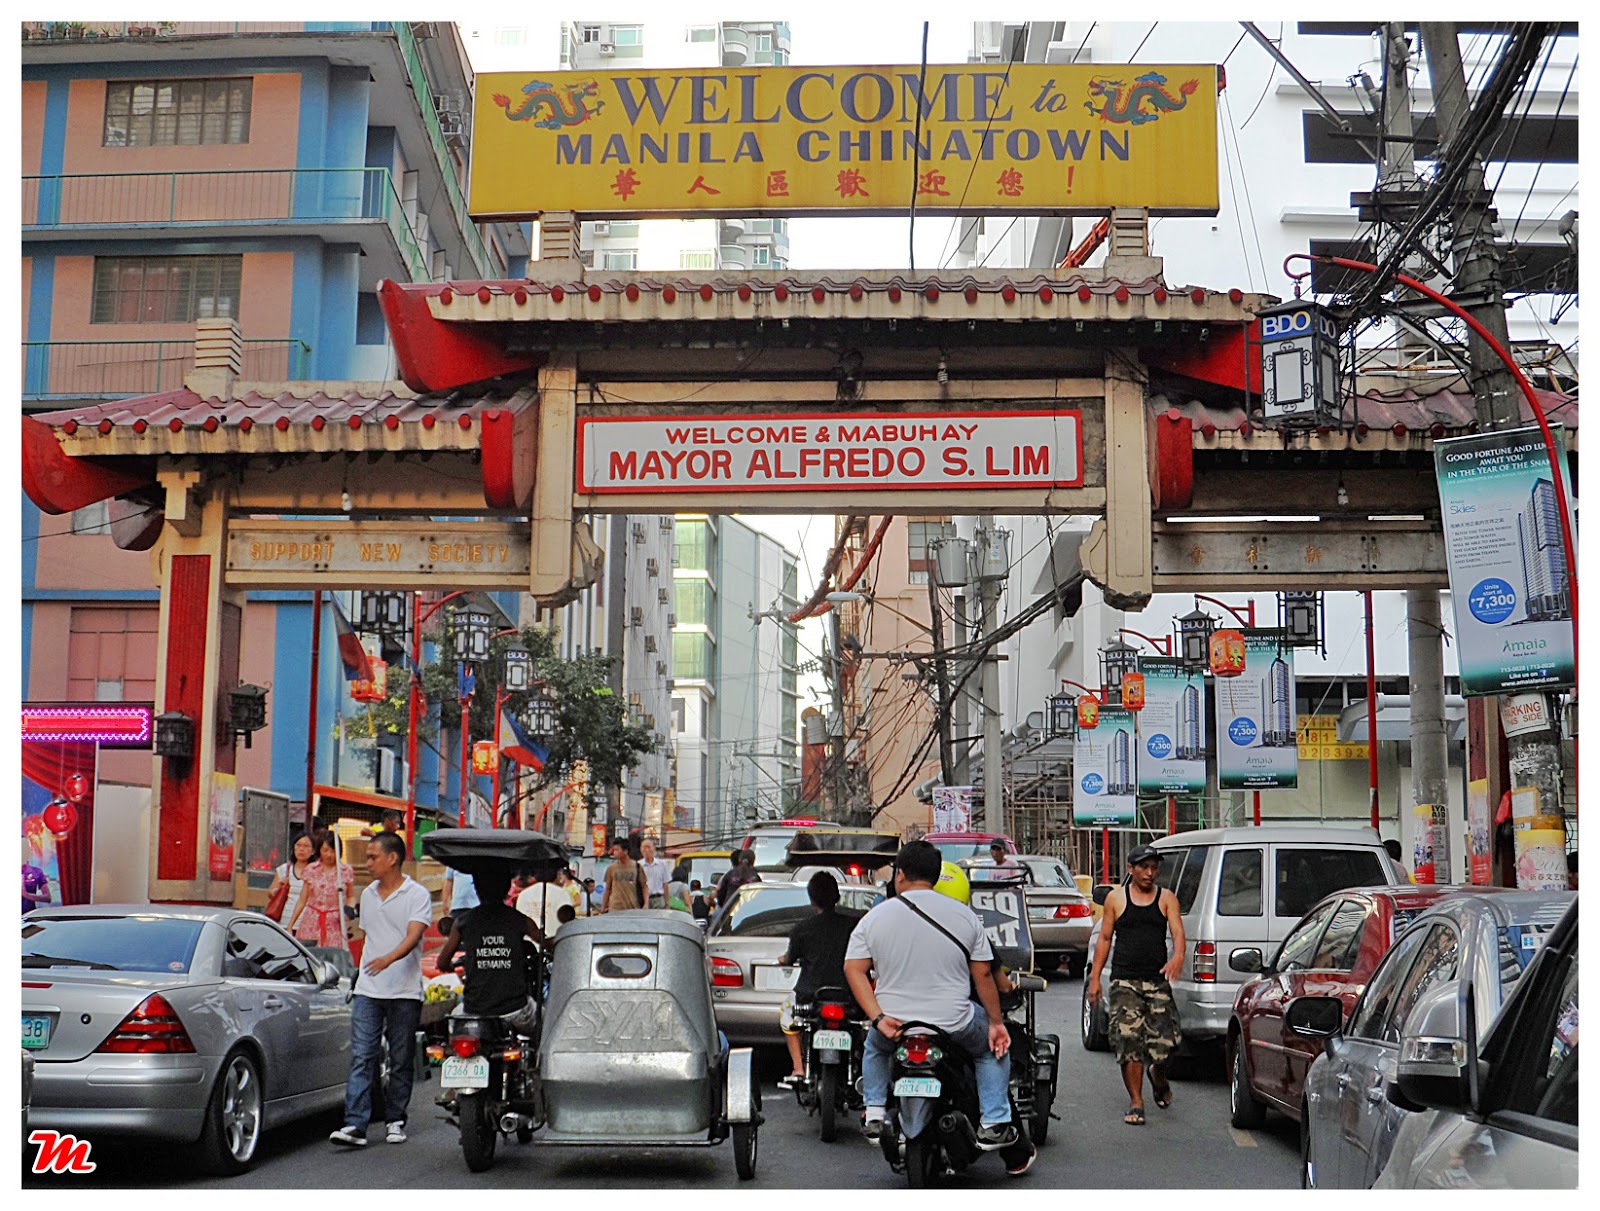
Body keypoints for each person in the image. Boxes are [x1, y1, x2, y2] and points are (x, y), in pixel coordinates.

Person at [845, 840, 1030, 1174]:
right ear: (935, 875)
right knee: (990, 1050)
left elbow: (854, 969)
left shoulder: (874, 918)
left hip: (896, 1024)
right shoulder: (965, 916)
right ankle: (994, 1121)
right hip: (954, 1023)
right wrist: (996, 1023)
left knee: (875, 1048)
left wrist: (878, 1017)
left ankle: (873, 1111)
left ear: (899, 875)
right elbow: (984, 974)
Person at [329, 832, 432, 1147]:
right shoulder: (368, 895)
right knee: (363, 1055)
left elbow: (414, 935)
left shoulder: (417, 894)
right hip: (368, 989)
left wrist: (389, 958)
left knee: (400, 1058)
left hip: (403, 991)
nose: (368, 862)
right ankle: (355, 1124)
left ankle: (395, 1119)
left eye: (373, 856)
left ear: (393, 858)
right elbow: (368, 934)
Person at [1087, 844, 1186, 1127]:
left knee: (1166, 1044)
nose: (1150, 873)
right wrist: (1095, 979)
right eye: (1144, 867)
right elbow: (1104, 939)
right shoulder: (1116, 900)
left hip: (1156, 980)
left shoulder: (1166, 898)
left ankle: (1159, 1074)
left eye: (1154, 867)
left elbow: (1178, 932)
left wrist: (1178, 956)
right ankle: (1136, 1101)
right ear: (1131, 869)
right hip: (1124, 980)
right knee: (1128, 1040)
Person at [437, 865, 545, 1034]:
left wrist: (452, 967)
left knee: (453, 1023)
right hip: (516, 1011)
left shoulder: (463, 922)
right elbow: (545, 941)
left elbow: (442, 962)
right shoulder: (519, 919)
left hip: (473, 1011)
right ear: (507, 888)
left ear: (477, 889)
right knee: (548, 1023)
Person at [777, 872, 859, 1090]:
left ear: (811, 899)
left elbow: (790, 958)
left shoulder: (801, 928)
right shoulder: (854, 925)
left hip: (809, 996)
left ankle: (798, 1068)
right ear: (837, 896)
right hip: (851, 996)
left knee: (787, 1015)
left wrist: (783, 960)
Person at [290, 830, 357, 950]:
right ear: (319, 850)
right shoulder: (311, 869)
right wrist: (291, 925)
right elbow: (302, 899)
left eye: (332, 851)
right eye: (325, 850)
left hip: (334, 923)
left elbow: (351, 896)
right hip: (311, 921)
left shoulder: (346, 871)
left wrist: (348, 910)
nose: (329, 855)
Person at [267, 833, 314, 922]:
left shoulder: (315, 873)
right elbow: (270, 893)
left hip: (306, 924)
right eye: (298, 845)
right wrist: (279, 888)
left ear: (313, 851)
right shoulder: (284, 869)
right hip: (284, 921)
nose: (301, 849)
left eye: (306, 846)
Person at [601, 839, 648, 912]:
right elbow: (608, 889)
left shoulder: (637, 867)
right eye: (614, 850)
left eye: (617, 850)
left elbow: (644, 886)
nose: (614, 852)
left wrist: (646, 904)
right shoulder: (611, 868)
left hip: (632, 907)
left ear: (625, 851)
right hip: (615, 908)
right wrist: (603, 907)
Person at [442, 861, 481, 935]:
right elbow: (448, 880)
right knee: (456, 934)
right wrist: (445, 901)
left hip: (476, 905)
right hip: (458, 906)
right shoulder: (454, 860)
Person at [639, 838, 672, 909]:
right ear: (640, 849)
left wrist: (667, 903)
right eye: (644, 847)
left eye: (648, 847)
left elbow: (665, 885)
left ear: (654, 849)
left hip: (658, 899)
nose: (646, 850)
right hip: (643, 900)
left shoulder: (662, 864)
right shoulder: (638, 865)